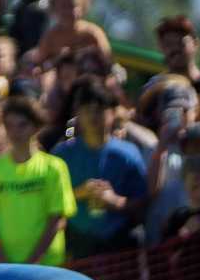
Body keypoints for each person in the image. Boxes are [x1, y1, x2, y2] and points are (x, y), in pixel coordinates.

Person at [51, 76, 147, 260]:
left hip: (117, 241)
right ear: (78, 112)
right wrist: (81, 193)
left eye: (100, 110)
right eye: (87, 109)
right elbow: (48, 201)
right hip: (75, 239)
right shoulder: (62, 154)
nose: (93, 115)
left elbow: (142, 202)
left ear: (113, 113)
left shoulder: (128, 153)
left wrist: (115, 201)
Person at [0, 94, 75, 266]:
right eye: (10, 126)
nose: (15, 132)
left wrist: (34, 260)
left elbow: (57, 219)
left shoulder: (54, 168)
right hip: (3, 266)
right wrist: (1, 259)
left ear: (36, 127)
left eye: (22, 125)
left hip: (46, 265)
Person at [27, 0, 114, 67]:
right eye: (63, 6)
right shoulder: (49, 38)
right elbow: (40, 68)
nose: (68, 11)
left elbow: (108, 61)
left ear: (83, 6)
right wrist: (56, 59)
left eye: (73, 5)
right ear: (54, 7)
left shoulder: (92, 33)